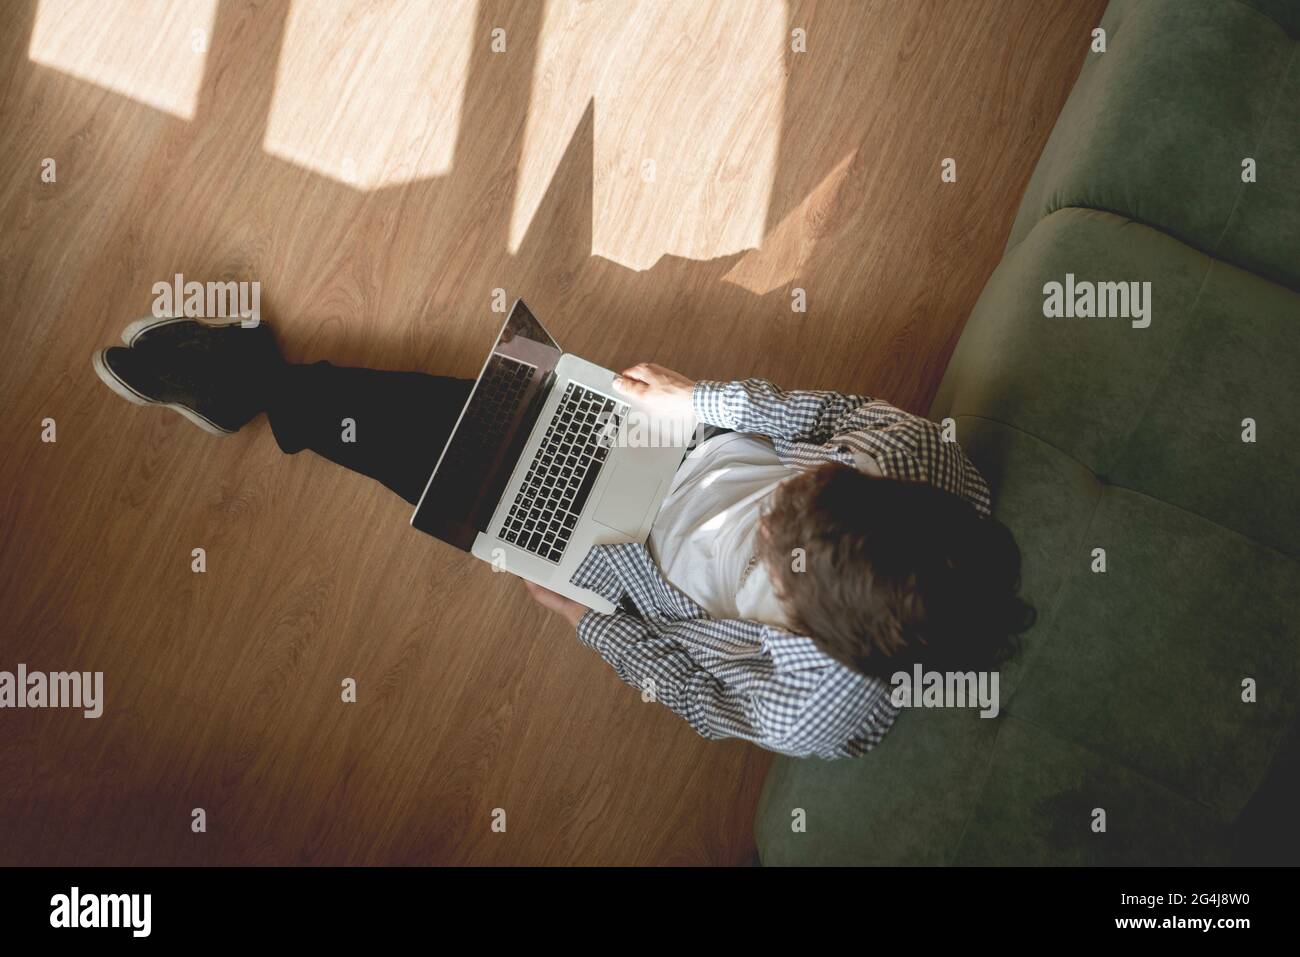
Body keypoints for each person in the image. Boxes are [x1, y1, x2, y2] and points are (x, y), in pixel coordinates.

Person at [94, 316, 1033, 758]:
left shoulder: (814, 717)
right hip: (661, 435)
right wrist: (697, 400)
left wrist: (596, 624)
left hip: (616, 555)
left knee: (428, 458)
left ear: (805, 628)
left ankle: (255, 386)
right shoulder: (921, 461)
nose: (760, 511)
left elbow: (701, 697)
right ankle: (271, 386)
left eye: (761, 554)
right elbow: (817, 408)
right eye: (801, 486)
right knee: (456, 410)